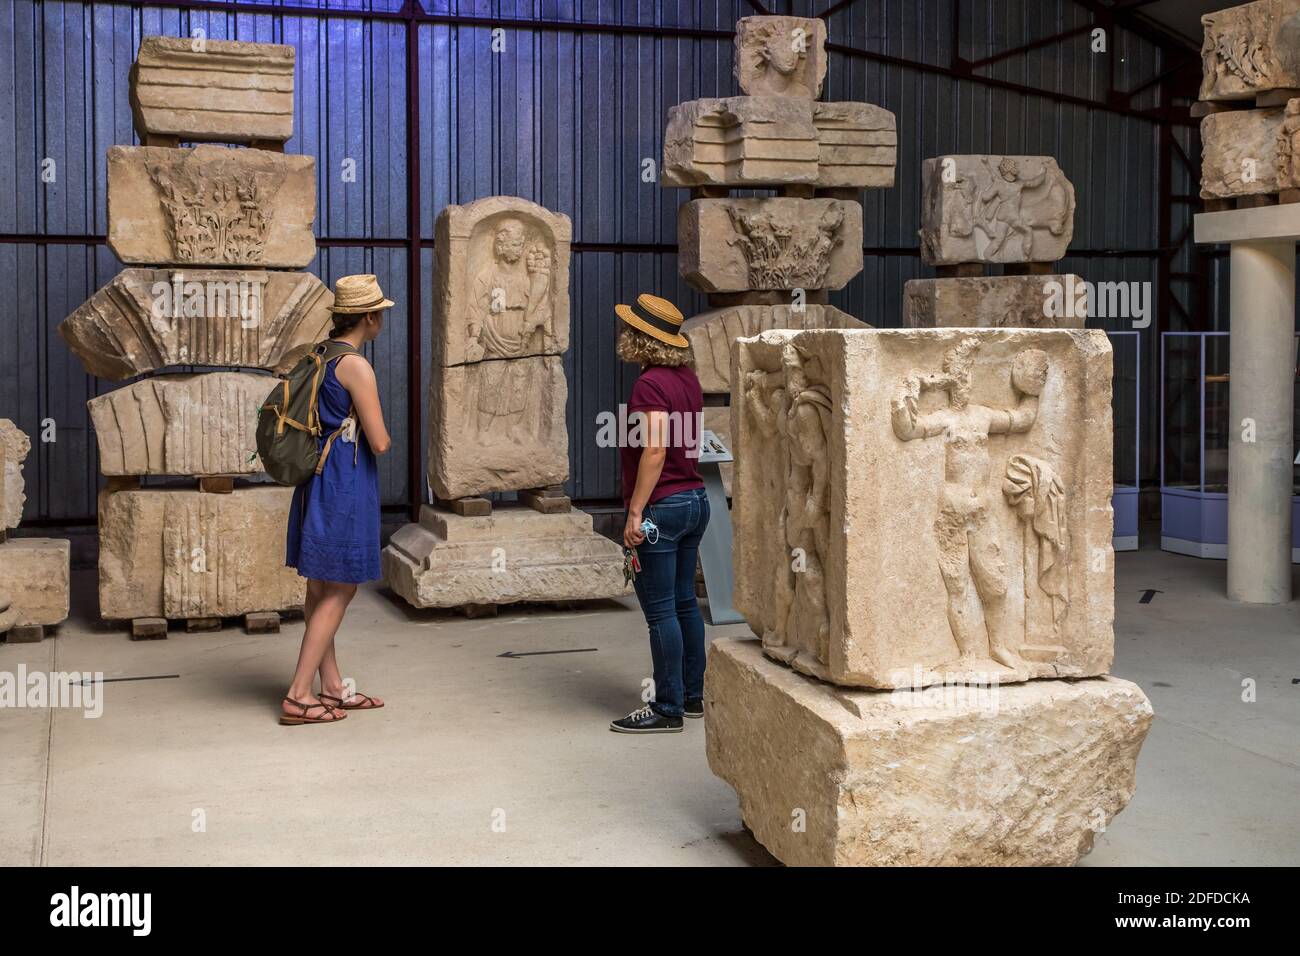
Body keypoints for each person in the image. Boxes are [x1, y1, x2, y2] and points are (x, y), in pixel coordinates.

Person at [281, 274, 394, 725]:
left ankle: (330, 686)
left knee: (319, 585)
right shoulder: (356, 366)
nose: (381, 319)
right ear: (369, 317)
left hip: (315, 476)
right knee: (343, 584)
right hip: (345, 480)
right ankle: (297, 694)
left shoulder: (320, 355)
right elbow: (381, 441)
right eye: (380, 313)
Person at [610, 294, 709, 734]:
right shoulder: (687, 378)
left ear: (641, 340)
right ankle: (691, 696)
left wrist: (635, 513)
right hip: (694, 500)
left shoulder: (649, 385)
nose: (622, 336)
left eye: (628, 330)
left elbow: (655, 449)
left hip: (662, 507)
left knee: (661, 611)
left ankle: (666, 707)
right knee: (685, 603)